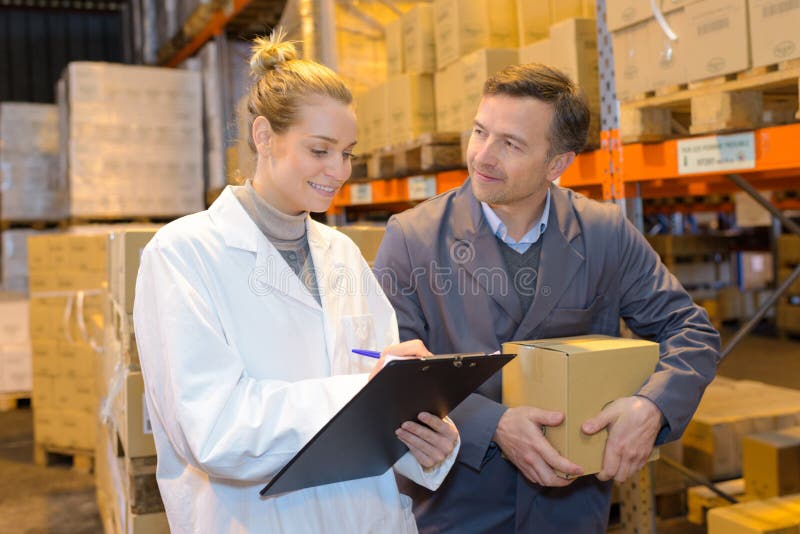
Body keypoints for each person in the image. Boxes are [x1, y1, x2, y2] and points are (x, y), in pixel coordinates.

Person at [133, 30, 459, 533]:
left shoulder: (342, 254)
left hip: (364, 517)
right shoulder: (183, 255)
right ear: (264, 136)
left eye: (347, 153)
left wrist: (429, 442)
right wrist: (358, 392)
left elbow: (384, 396)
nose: (338, 170)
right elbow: (214, 431)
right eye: (320, 149)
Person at [373, 63, 721, 533]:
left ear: (557, 163)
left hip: (572, 509)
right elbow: (394, 373)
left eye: (510, 144)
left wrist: (653, 407)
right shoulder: (413, 238)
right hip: (454, 507)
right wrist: (492, 423)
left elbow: (691, 330)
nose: (483, 156)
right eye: (480, 132)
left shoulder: (604, 234)